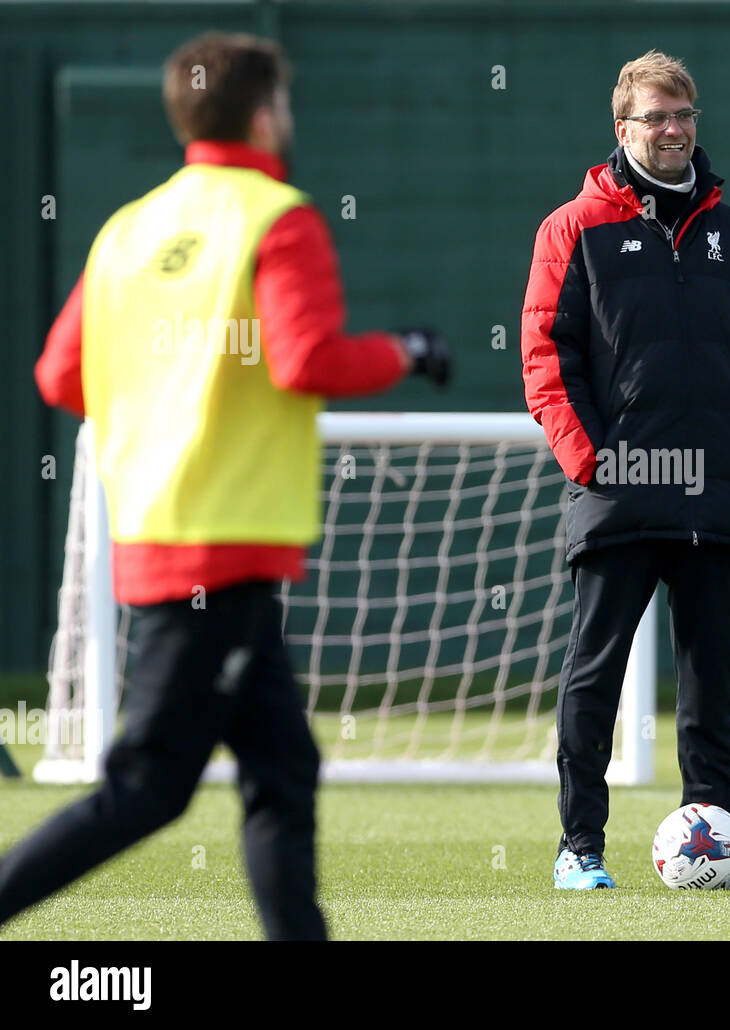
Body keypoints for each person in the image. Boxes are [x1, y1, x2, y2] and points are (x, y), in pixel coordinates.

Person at [5, 31, 449, 940]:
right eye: (283, 100)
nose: (289, 115)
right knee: (148, 789)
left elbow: (59, 376)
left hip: (164, 533)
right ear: (262, 113)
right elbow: (308, 359)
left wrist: (168, 394)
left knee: (283, 768)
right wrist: (408, 351)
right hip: (227, 543)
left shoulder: (130, 227)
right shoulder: (277, 217)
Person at [521, 50, 730, 890]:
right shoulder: (573, 227)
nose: (673, 130)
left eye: (684, 115)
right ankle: (580, 849)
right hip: (620, 487)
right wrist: (590, 460)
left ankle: (718, 843)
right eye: (656, 117)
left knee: (710, 682)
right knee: (595, 669)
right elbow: (545, 357)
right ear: (623, 129)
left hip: (721, 488)